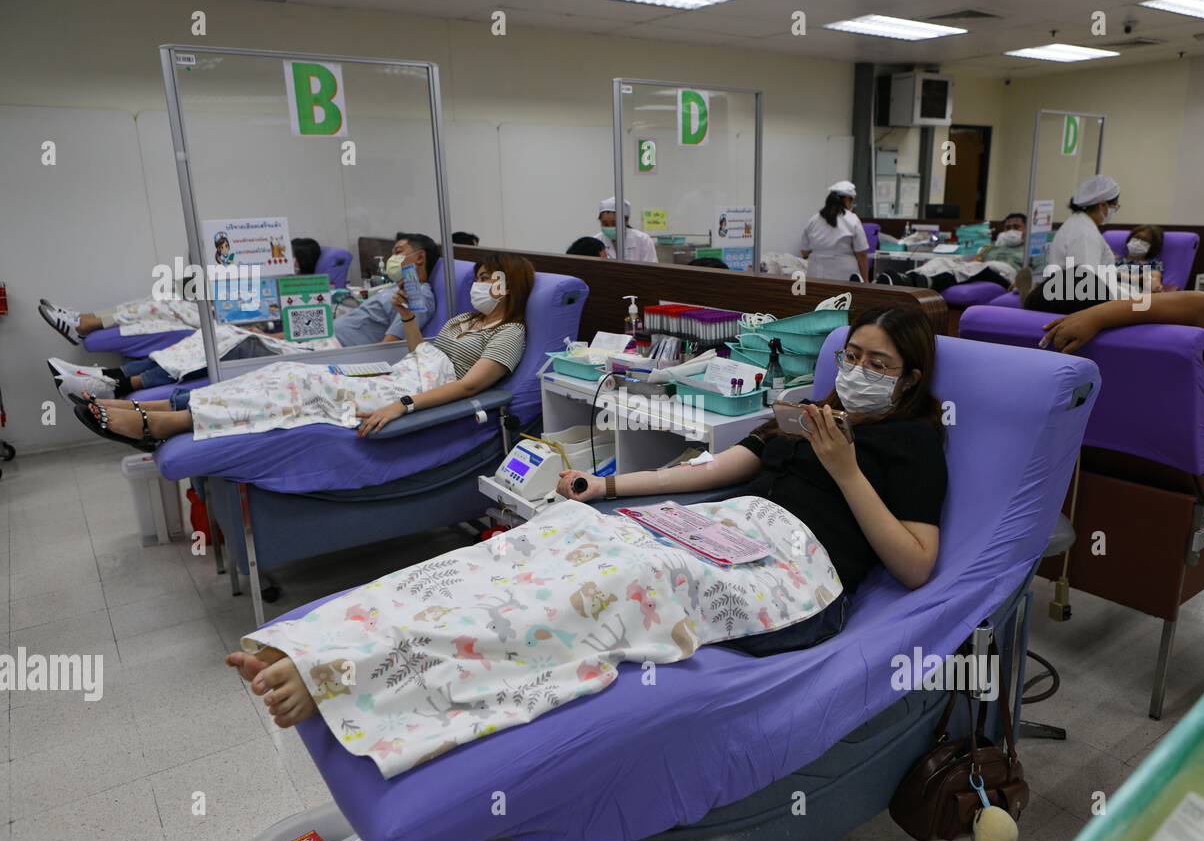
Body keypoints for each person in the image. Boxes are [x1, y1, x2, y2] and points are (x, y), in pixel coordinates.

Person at [218, 304, 946, 776]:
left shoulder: (912, 443)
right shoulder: (804, 413)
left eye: (878, 365)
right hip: (719, 532)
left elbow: (915, 565)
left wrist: (845, 470)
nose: (856, 373)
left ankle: (355, 683)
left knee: (610, 593)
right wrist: (609, 490)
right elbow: (719, 469)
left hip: (795, 579)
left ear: (909, 378)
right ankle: (332, 636)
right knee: (547, 543)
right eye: (851, 356)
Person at [73, 253, 532, 449]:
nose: (476, 284)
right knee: (286, 371)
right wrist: (409, 320)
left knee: (299, 383)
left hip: (414, 390)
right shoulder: (465, 320)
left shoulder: (512, 332)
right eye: (476, 275)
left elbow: (470, 385)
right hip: (404, 373)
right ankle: (152, 405)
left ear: (506, 284)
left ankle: (167, 422)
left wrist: (402, 404)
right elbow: (419, 353)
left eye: (486, 277)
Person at [50, 234, 441, 401]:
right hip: (314, 340)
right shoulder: (386, 290)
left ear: (419, 257)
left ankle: (117, 383)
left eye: (400, 249)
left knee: (227, 339)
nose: (394, 255)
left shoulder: (417, 295)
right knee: (215, 330)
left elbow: (392, 352)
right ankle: (110, 378)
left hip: (335, 354)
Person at [1037, 290, 1204, 464]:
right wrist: (1100, 315)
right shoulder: (1126, 355)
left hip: (1102, 437)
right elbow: (1201, 303)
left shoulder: (1029, 344)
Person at [39, 237, 327, 346]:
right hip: (227, 317)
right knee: (159, 299)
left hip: (236, 328)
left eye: (292, 258)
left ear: (300, 263)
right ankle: (82, 319)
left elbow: (296, 331)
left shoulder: (306, 292)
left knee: (161, 304)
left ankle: (82, 325)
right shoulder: (273, 279)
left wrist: (259, 331)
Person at [1025, 174, 1122, 313]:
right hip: (1072, 300)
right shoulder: (1085, 232)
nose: (1114, 211)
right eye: (1114, 206)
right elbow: (1086, 282)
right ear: (1102, 205)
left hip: (1066, 291)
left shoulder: (1078, 223)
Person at [875, 213, 1028, 291]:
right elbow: (975, 260)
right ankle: (902, 279)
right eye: (1008, 228)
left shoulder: (1029, 249)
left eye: (1016, 227)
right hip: (983, 267)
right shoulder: (992, 246)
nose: (1011, 231)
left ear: (1026, 229)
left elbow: (1034, 275)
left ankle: (931, 282)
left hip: (1006, 275)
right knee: (940, 261)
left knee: (977, 267)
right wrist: (956, 264)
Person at [800, 181, 870, 282]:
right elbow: (862, 254)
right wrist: (866, 281)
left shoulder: (814, 219)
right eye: (852, 202)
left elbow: (804, 251)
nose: (852, 206)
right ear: (846, 199)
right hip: (843, 275)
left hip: (815, 275)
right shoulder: (852, 219)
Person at [595, 197, 658, 262]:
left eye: (614, 224)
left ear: (626, 220)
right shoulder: (596, 241)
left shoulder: (643, 240)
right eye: (605, 224)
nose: (610, 227)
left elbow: (651, 269)